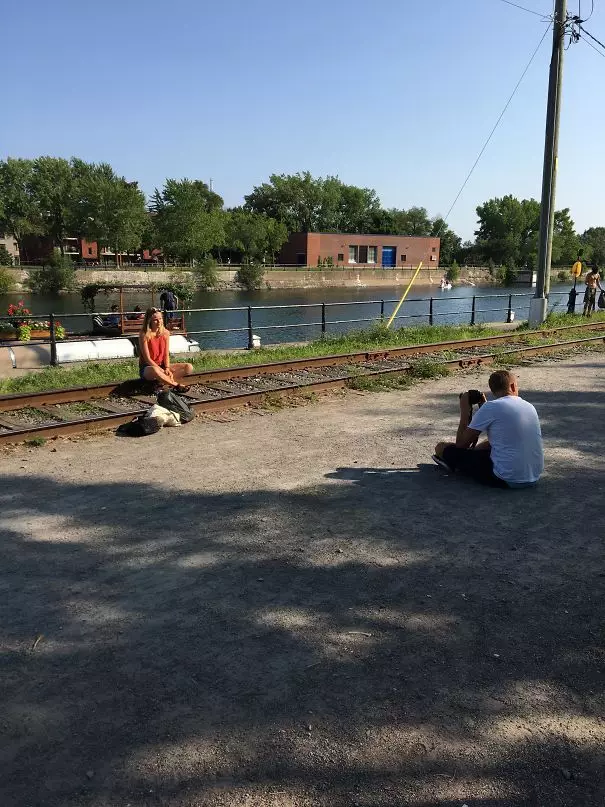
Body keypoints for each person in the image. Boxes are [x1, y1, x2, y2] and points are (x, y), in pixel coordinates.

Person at [433, 370, 543, 489]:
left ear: (493, 390)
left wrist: (465, 411)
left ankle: (455, 463)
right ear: (512, 386)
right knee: (490, 446)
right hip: (533, 477)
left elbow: (461, 445)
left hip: (504, 478)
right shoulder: (529, 406)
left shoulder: (491, 407)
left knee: (441, 447)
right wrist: (484, 405)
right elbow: (500, 438)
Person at [138, 308, 193, 391]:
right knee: (155, 370)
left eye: (160, 319)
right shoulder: (144, 334)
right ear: (149, 321)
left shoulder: (165, 333)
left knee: (188, 367)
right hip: (148, 368)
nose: (159, 322)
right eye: (155, 320)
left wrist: (167, 368)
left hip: (162, 366)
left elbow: (166, 354)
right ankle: (176, 385)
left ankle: (161, 382)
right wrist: (162, 371)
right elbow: (147, 359)